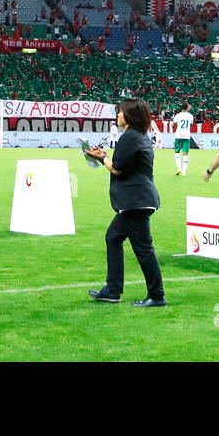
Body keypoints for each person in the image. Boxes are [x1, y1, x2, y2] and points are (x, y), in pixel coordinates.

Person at [87, 98, 165, 307]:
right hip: (138, 200)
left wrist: (102, 158)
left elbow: (117, 169)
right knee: (113, 238)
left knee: (143, 249)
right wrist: (103, 156)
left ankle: (157, 295)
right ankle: (112, 290)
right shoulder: (139, 136)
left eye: (121, 112)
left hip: (135, 201)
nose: (118, 115)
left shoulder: (130, 137)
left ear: (130, 115)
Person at [172, 102, 194, 176]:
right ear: (187, 108)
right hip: (186, 136)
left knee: (177, 152)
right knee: (185, 154)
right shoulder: (190, 116)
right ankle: (184, 171)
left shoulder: (178, 115)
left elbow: (173, 125)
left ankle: (179, 168)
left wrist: (175, 126)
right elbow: (191, 125)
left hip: (178, 135)